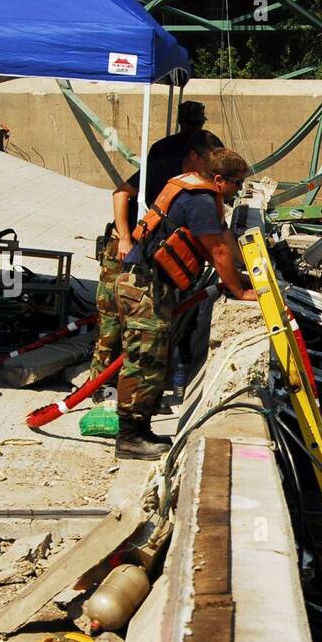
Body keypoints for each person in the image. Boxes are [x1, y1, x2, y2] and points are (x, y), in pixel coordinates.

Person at [112, 147, 254, 460]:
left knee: (155, 358)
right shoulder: (201, 200)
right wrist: (241, 292)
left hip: (151, 284)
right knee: (144, 360)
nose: (238, 190)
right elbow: (217, 252)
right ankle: (129, 439)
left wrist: (246, 273)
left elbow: (224, 237)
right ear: (219, 180)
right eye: (236, 183)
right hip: (145, 287)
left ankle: (141, 430)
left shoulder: (194, 190)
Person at [89, 118, 225, 387]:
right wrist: (125, 239)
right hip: (124, 249)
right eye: (209, 161)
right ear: (194, 156)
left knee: (146, 327)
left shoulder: (194, 182)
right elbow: (120, 194)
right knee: (112, 323)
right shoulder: (164, 168)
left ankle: (139, 384)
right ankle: (100, 387)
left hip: (150, 257)